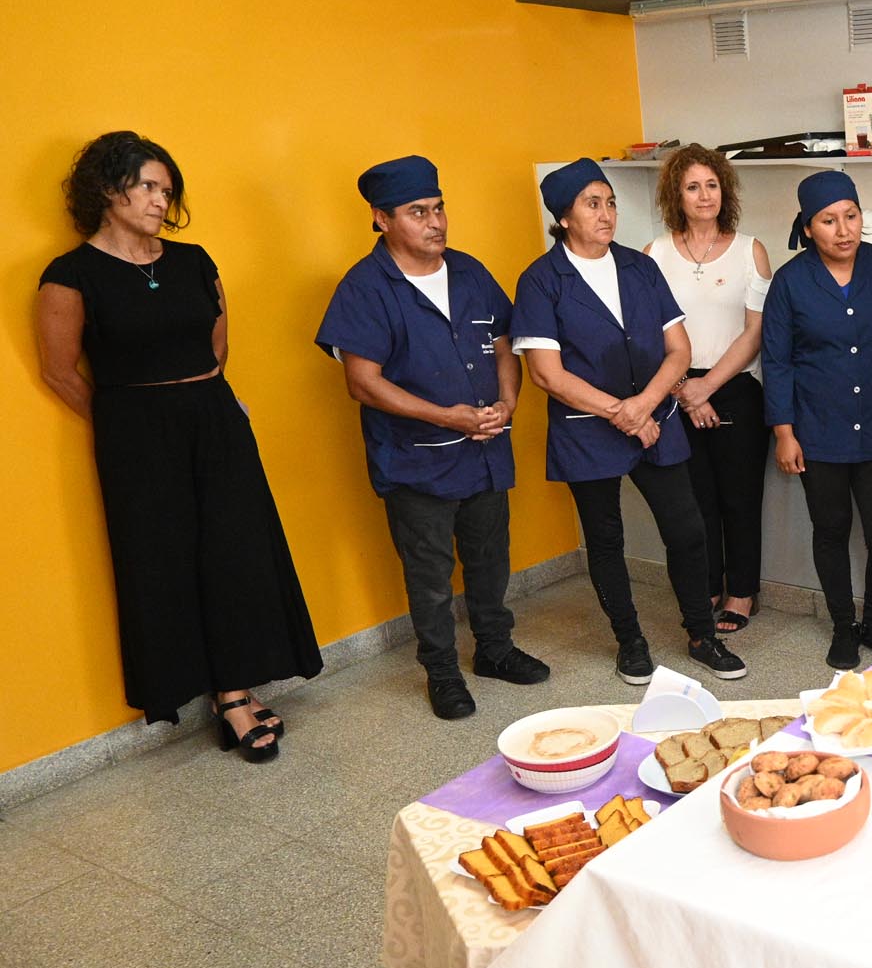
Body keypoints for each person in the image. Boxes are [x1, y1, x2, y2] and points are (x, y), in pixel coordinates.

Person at [37, 131, 321, 758]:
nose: (161, 199)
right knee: (162, 562)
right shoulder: (71, 274)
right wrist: (125, 422)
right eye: (148, 186)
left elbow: (217, 342)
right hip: (136, 435)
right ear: (108, 190)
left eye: (167, 189)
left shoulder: (194, 261)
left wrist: (200, 397)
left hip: (214, 419)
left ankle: (235, 690)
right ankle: (202, 688)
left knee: (235, 552)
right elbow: (59, 371)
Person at [315, 155, 549, 721]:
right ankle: (442, 671)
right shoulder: (366, 287)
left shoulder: (469, 272)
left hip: (486, 447)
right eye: (418, 212)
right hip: (416, 461)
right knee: (431, 576)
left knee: (491, 559)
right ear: (381, 219)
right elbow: (363, 383)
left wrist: (507, 403)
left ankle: (494, 650)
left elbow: (502, 343)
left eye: (439, 208)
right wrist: (450, 418)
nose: (435, 222)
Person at [513, 159, 746, 683]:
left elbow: (678, 350)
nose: (607, 213)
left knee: (687, 530)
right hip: (586, 428)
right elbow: (547, 375)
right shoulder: (541, 281)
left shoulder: (640, 269)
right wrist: (622, 412)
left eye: (611, 201)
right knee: (606, 539)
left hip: (655, 417)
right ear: (564, 217)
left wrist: (643, 406)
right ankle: (630, 641)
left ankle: (701, 634)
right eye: (592, 204)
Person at [763, 171, 872, 669]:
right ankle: (842, 627)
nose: (843, 230)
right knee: (830, 528)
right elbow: (777, 361)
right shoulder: (790, 282)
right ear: (808, 227)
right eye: (828, 220)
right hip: (818, 429)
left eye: (851, 216)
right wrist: (784, 432)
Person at [644, 144, 773, 633]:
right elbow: (647, 332)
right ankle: (708, 586)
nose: (704, 196)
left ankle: (741, 593)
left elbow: (754, 332)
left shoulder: (749, 250)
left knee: (740, 498)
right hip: (674, 388)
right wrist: (683, 388)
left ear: (726, 190)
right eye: (693, 186)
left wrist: (708, 387)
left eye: (712, 185)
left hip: (736, 384)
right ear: (677, 194)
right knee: (695, 500)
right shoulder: (653, 255)